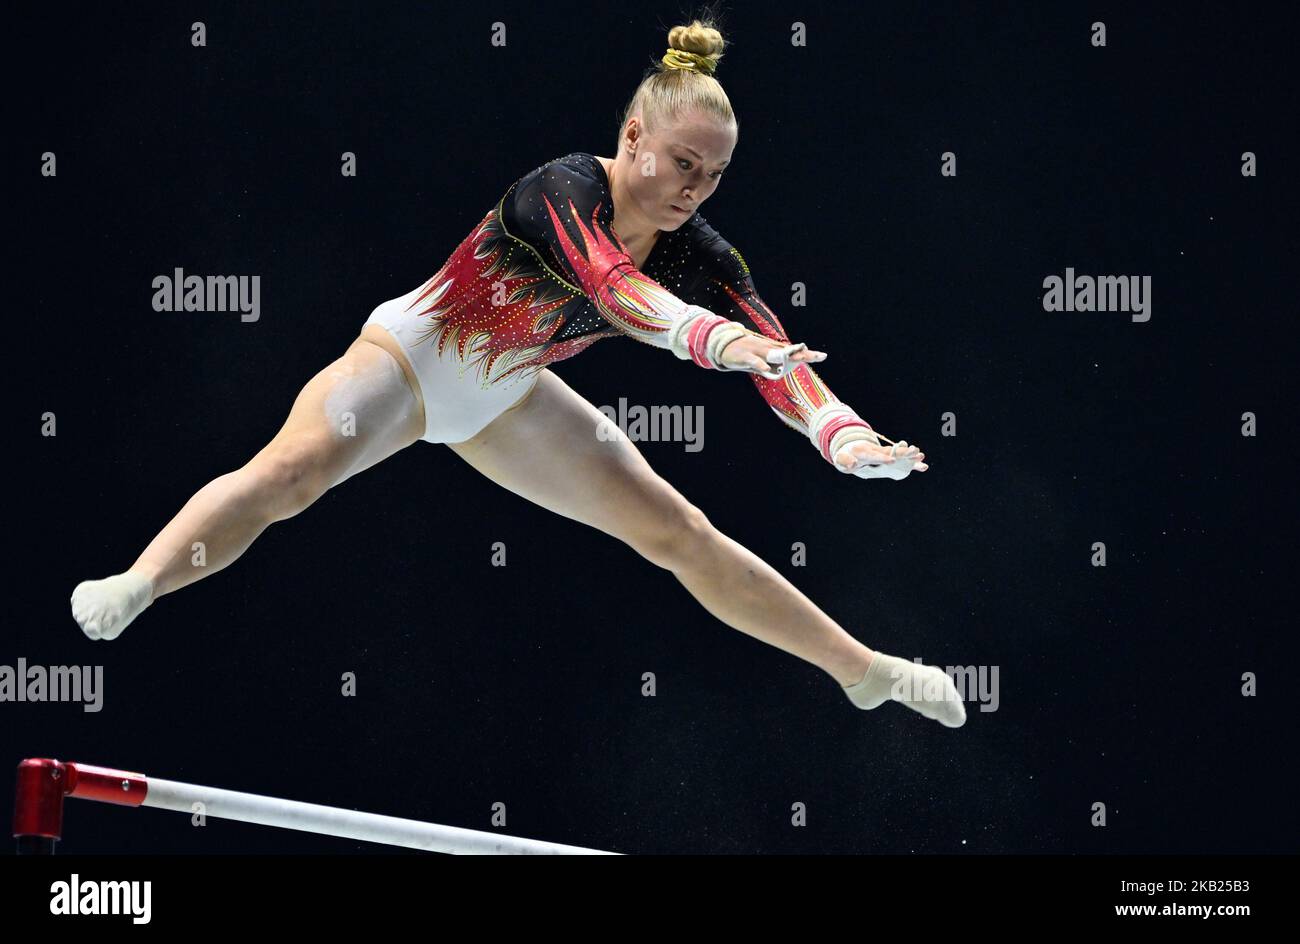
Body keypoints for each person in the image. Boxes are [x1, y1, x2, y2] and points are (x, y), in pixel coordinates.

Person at [70, 16, 965, 728]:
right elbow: (615, 291)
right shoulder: (562, 190)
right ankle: (138, 583)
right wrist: (718, 344)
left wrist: (841, 434)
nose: (694, 187)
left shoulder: (702, 256)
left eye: (715, 174)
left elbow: (776, 348)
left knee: (678, 531)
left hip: (508, 398)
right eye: (682, 162)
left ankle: (867, 672)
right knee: (292, 474)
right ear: (633, 136)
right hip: (409, 362)